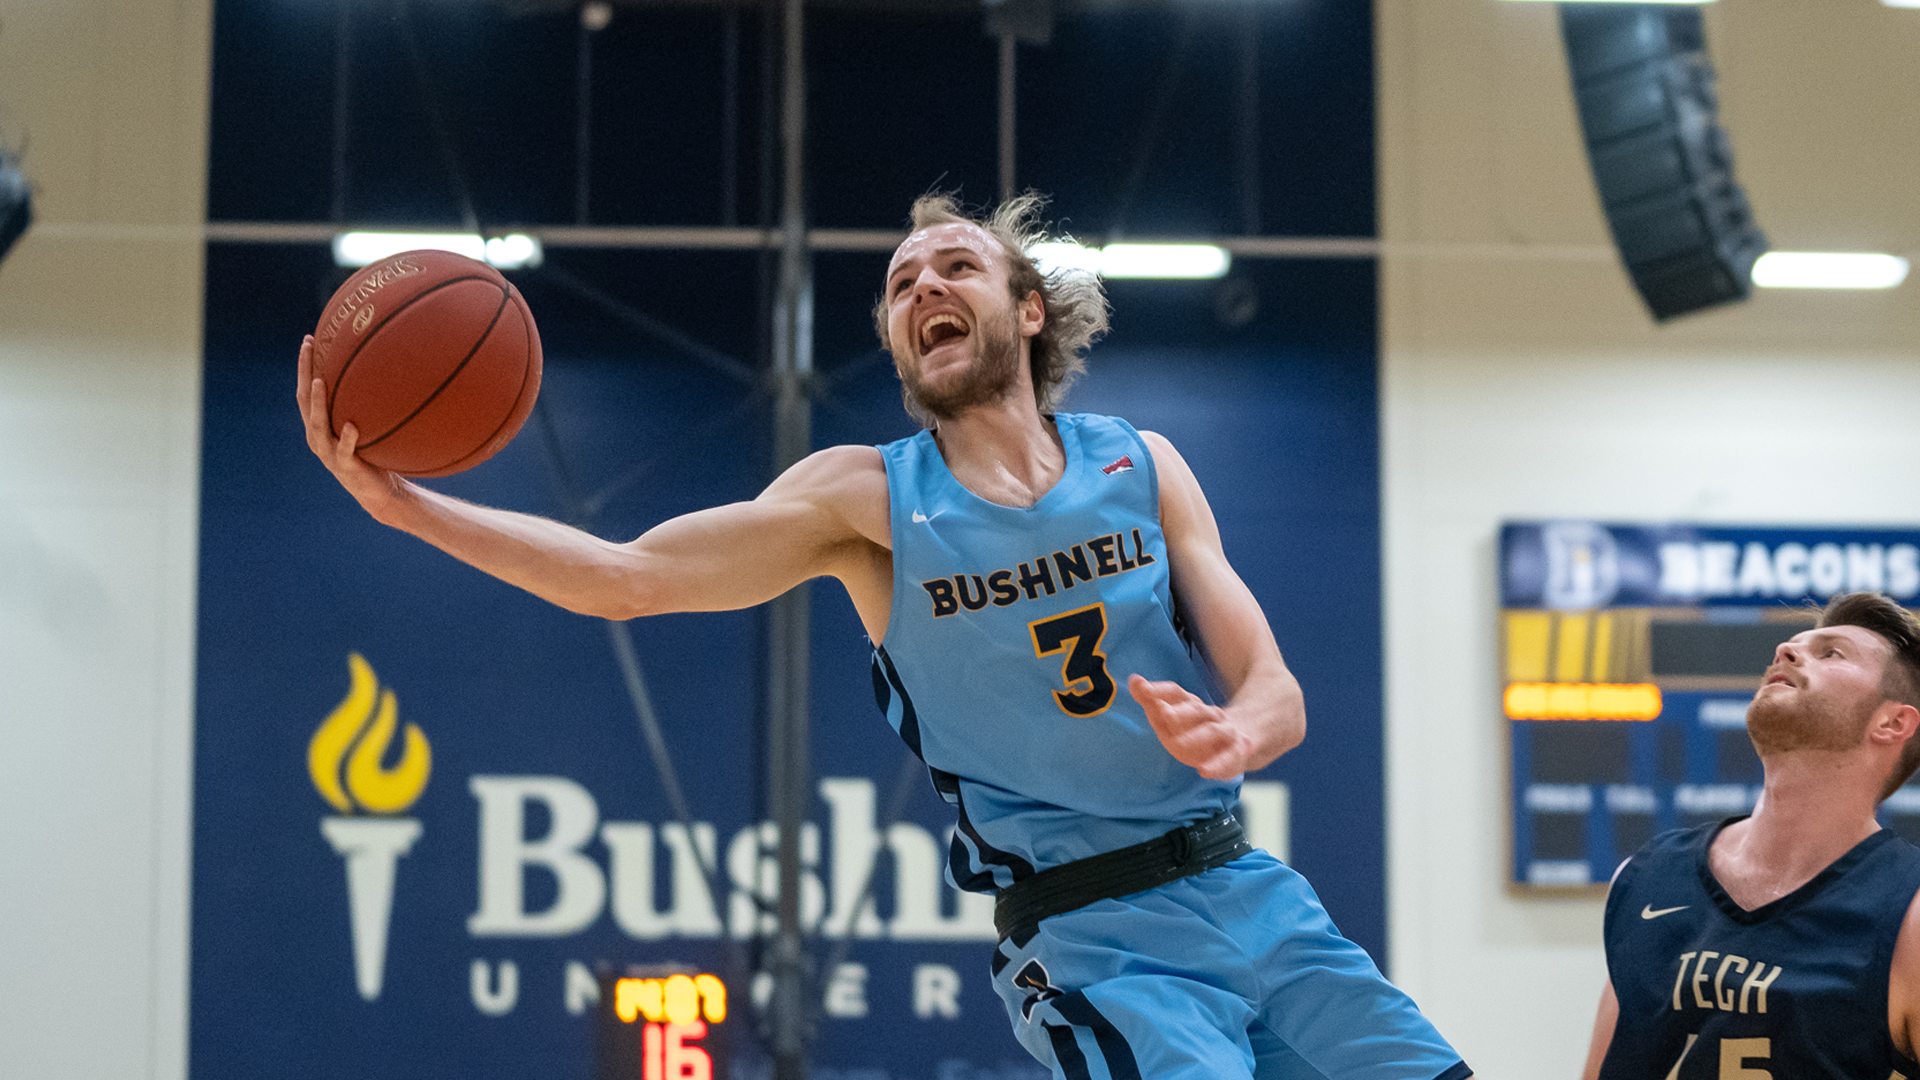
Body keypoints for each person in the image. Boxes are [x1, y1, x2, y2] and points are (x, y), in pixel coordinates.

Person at [299, 192, 1468, 1080]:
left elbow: (1274, 684)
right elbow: (626, 579)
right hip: (1093, 933)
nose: (921, 290)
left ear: (1026, 309)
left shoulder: (1142, 463)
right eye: (902, 284)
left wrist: (1240, 727)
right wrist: (408, 506)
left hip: (1246, 885)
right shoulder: (864, 502)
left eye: (955, 266)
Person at [1581, 592, 1920, 1080]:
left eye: (1831, 653)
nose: (1786, 650)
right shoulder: (1644, 879)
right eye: (1791, 644)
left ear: (1893, 722)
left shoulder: (1908, 912)